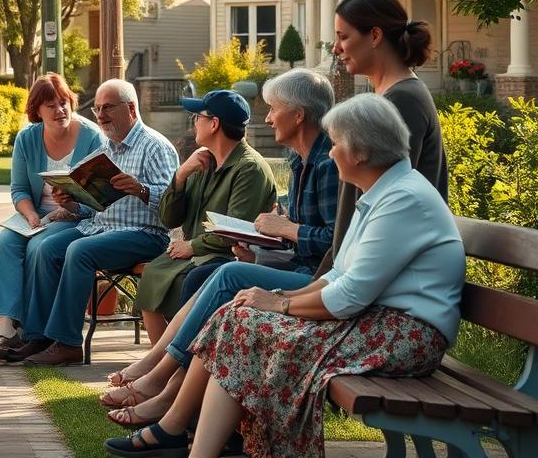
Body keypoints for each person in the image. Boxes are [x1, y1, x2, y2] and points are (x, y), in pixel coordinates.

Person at [105, 94, 464, 458]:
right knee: (236, 316)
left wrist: (280, 303)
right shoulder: (383, 192)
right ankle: (182, 432)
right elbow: (339, 274)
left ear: (361, 152)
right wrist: (275, 302)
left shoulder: (402, 198)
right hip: (378, 321)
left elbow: (349, 295)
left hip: (407, 334)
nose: (332, 152)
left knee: (246, 324)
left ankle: (181, 429)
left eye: (337, 144)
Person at [99, 68, 339, 426]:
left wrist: (286, 228)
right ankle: (163, 386)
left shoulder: (325, 164)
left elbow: (335, 244)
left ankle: (159, 380)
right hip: (286, 265)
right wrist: (181, 176)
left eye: (274, 109)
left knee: (220, 275)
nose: (268, 117)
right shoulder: (295, 160)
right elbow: (170, 219)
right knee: (206, 279)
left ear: (299, 114)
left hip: (316, 282)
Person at [5, 79, 180, 366]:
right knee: (45, 246)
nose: (100, 115)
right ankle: (38, 337)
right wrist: (72, 201)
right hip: (102, 229)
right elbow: (95, 207)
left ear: (131, 108)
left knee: (79, 251)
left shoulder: (155, 147)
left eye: (108, 108)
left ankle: (68, 343)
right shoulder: (107, 149)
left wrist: (141, 189)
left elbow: (173, 210)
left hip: (145, 234)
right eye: (97, 109)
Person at [320, 0, 448, 274]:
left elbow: (382, 204)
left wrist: (309, 293)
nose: (335, 48)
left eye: (343, 37)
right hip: (353, 274)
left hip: (379, 281)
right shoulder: (391, 98)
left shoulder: (402, 101)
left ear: (375, 36)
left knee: (231, 285)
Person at [132, 90, 275, 343]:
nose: (194, 122)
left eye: (197, 116)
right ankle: (162, 370)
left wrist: (191, 246)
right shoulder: (202, 162)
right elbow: (169, 219)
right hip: (195, 253)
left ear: (214, 123)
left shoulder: (249, 168)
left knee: (187, 280)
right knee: (152, 276)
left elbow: (236, 231)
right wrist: (180, 175)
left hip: (224, 256)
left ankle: (174, 369)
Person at [0, 73, 107, 361]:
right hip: (36, 215)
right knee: (6, 242)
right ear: (37, 110)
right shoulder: (27, 138)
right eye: (50, 105)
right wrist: (31, 216)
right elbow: (19, 190)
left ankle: (36, 333)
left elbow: (98, 196)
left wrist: (70, 205)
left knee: (40, 246)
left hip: (77, 215)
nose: (59, 110)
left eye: (64, 102)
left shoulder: (91, 137)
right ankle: (5, 332)